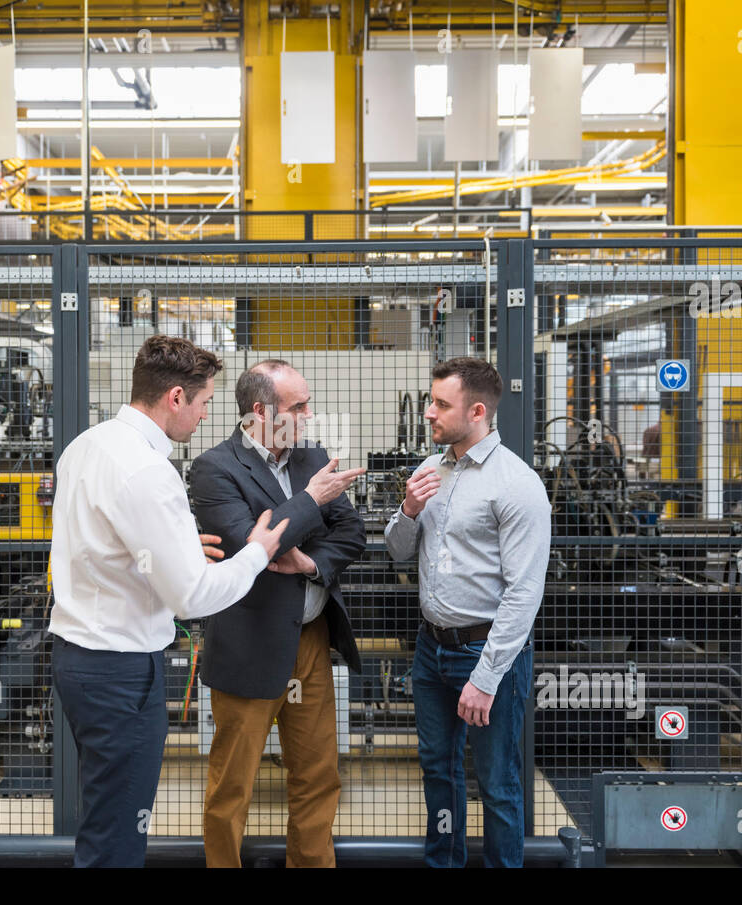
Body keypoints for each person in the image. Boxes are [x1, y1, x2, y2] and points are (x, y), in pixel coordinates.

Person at [48, 335, 289, 867]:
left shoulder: (87, 446)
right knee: (119, 835)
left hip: (78, 659)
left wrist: (174, 550)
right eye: (204, 403)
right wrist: (255, 552)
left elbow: (102, 547)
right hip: (120, 672)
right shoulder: (148, 471)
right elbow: (192, 598)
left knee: (105, 815)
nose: (206, 416)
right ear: (176, 397)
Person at [189, 359, 367, 867]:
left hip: (309, 639)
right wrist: (311, 503)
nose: (309, 416)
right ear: (261, 412)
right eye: (299, 407)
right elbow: (253, 547)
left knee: (317, 776)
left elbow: (351, 533)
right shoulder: (215, 469)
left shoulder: (311, 456)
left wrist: (309, 561)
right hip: (248, 645)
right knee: (232, 787)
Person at [384, 357, 551, 868]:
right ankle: (445, 863)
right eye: (431, 400)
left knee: (497, 783)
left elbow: (524, 593)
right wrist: (408, 510)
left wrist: (487, 676)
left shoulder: (517, 485)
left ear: (477, 411)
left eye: (440, 404)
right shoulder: (429, 471)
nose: (430, 413)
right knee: (438, 771)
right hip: (431, 650)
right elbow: (395, 550)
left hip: (487, 654)